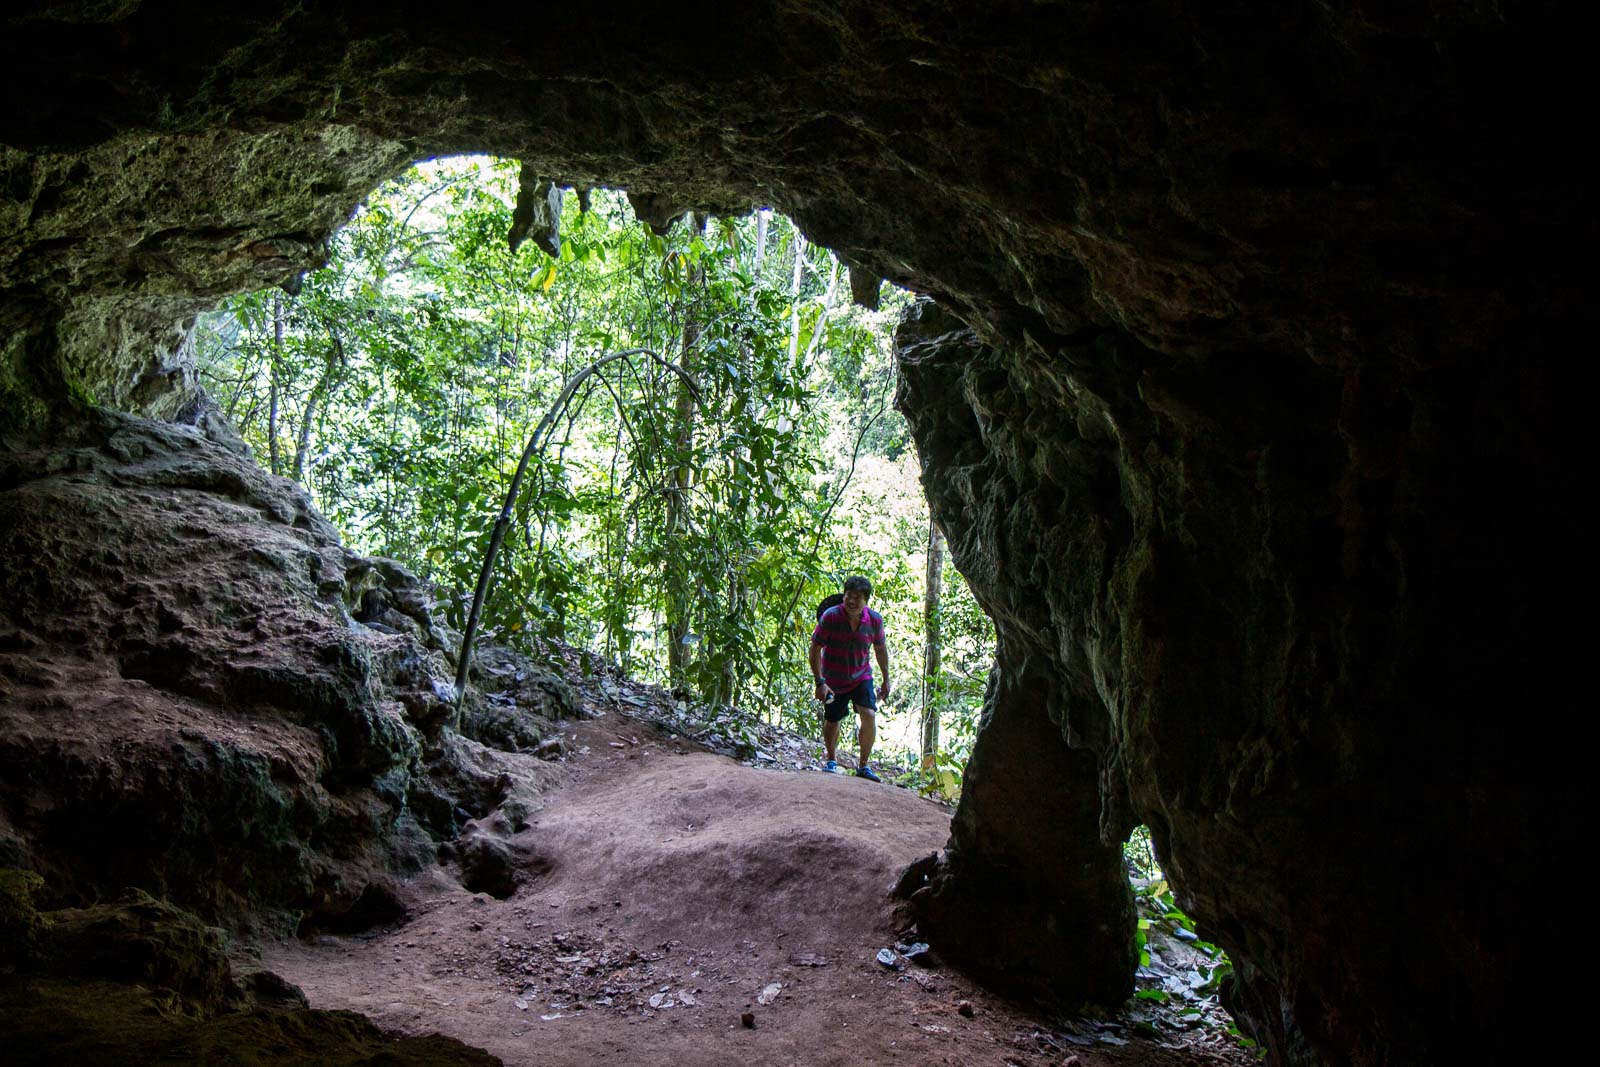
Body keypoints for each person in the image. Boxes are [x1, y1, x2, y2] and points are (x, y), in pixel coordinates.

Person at [809, 575, 891, 781]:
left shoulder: (874, 620)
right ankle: (831, 759)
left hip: (861, 676)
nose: (852, 602)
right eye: (848, 597)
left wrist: (886, 679)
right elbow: (815, 649)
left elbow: (880, 649)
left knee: (869, 714)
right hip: (833, 679)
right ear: (843, 596)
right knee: (833, 719)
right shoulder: (830, 617)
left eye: (857, 598)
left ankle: (863, 766)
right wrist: (820, 682)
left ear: (866, 601)